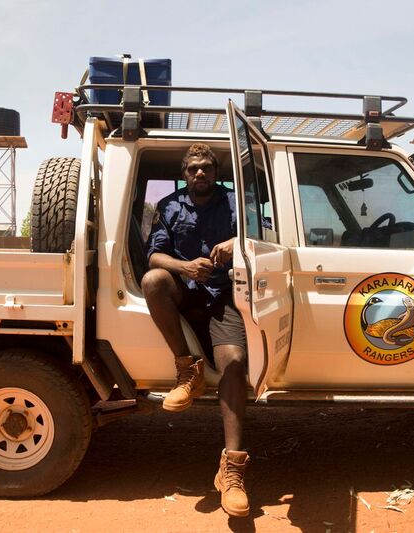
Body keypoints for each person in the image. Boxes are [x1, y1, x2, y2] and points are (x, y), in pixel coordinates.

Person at [141, 143, 250, 517]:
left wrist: (237, 243)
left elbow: (262, 240)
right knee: (154, 279)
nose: (199, 174)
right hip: (185, 292)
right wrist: (185, 267)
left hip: (226, 296)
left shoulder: (236, 203)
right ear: (185, 173)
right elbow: (154, 255)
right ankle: (188, 370)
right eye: (193, 169)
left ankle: (233, 471)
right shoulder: (169, 206)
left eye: (206, 168)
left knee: (234, 362)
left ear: (215, 172)